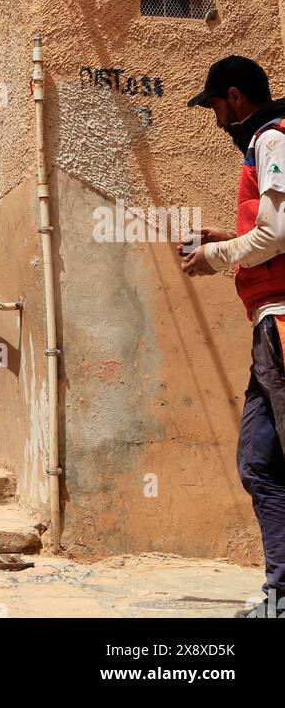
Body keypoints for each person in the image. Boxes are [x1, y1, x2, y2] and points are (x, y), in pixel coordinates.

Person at [183, 55, 285, 618]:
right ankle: (281, 594)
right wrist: (232, 235)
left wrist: (215, 255)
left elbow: (277, 233)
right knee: (259, 462)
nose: (217, 119)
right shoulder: (266, 145)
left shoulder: (273, 139)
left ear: (235, 98)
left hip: (282, 321)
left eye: (216, 107)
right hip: (266, 328)